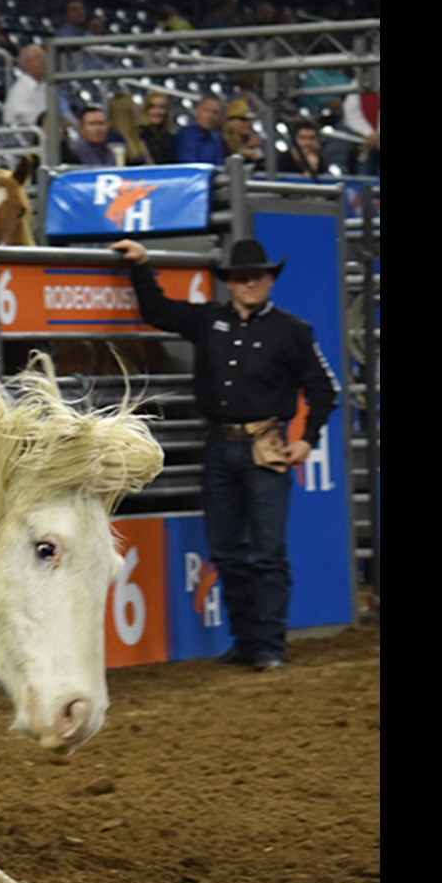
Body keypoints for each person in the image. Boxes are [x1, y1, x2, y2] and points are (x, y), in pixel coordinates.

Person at [108, 237, 338, 671]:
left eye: (257, 276)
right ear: (230, 282)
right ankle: (248, 641)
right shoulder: (209, 319)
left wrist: (307, 437)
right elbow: (156, 311)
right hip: (220, 444)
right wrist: (141, 264)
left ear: (269, 279)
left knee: (267, 551)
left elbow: (325, 389)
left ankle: (267, 644)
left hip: (263, 447)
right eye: (241, 277)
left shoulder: (292, 331)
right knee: (229, 550)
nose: (250, 283)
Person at [173, 95, 226, 165]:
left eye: (215, 113)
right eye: (206, 111)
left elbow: (219, 166)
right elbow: (190, 167)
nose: (210, 116)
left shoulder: (216, 139)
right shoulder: (184, 136)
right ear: (196, 112)